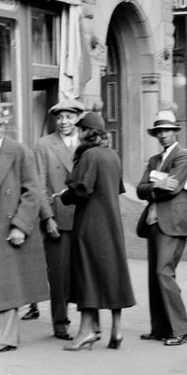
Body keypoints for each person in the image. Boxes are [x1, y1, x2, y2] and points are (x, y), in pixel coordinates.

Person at [0, 103, 49, 354]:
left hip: (7, 227)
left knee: (7, 283)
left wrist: (20, 227)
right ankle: (2, 334)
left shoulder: (19, 151)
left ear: (4, 125)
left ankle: (6, 338)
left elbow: (33, 191)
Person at [60, 111, 135, 351]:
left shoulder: (89, 155)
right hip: (111, 223)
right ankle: (116, 330)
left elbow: (81, 189)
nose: (78, 134)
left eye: (79, 129)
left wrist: (63, 196)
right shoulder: (113, 155)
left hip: (90, 223)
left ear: (86, 132)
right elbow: (116, 189)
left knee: (87, 275)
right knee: (113, 274)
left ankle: (86, 331)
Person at [135, 110, 187, 346]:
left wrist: (153, 185)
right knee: (155, 276)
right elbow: (140, 189)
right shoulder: (154, 160)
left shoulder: (183, 156)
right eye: (159, 131)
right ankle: (160, 329)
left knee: (163, 273)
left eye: (167, 130)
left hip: (173, 223)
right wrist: (157, 185)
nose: (162, 135)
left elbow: (173, 187)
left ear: (175, 132)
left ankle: (181, 330)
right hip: (155, 221)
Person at [29, 98, 86, 340]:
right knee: (59, 275)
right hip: (58, 218)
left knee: (85, 272)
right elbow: (39, 185)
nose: (64, 122)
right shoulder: (44, 144)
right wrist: (48, 217)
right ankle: (60, 323)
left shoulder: (87, 143)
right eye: (60, 117)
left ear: (77, 119)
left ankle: (89, 323)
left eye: (69, 117)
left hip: (85, 217)